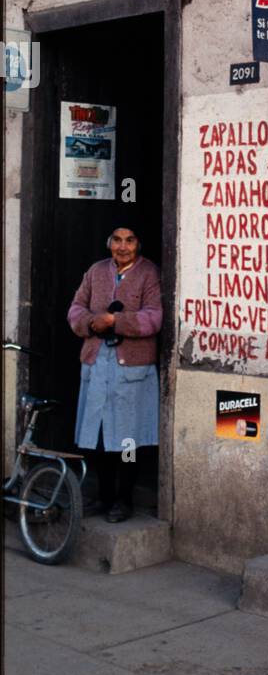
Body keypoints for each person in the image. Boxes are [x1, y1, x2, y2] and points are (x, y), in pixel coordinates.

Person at [67, 222, 162, 522]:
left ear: (138, 244)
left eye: (130, 240)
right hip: (98, 363)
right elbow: (75, 308)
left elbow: (154, 318)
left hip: (131, 368)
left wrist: (116, 321)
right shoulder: (96, 271)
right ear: (109, 243)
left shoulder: (149, 274)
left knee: (128, 438)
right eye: (117, 240)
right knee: (99, 433)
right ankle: (104, 496)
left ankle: (124, 500)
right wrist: (91, 322)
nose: (123, 246)